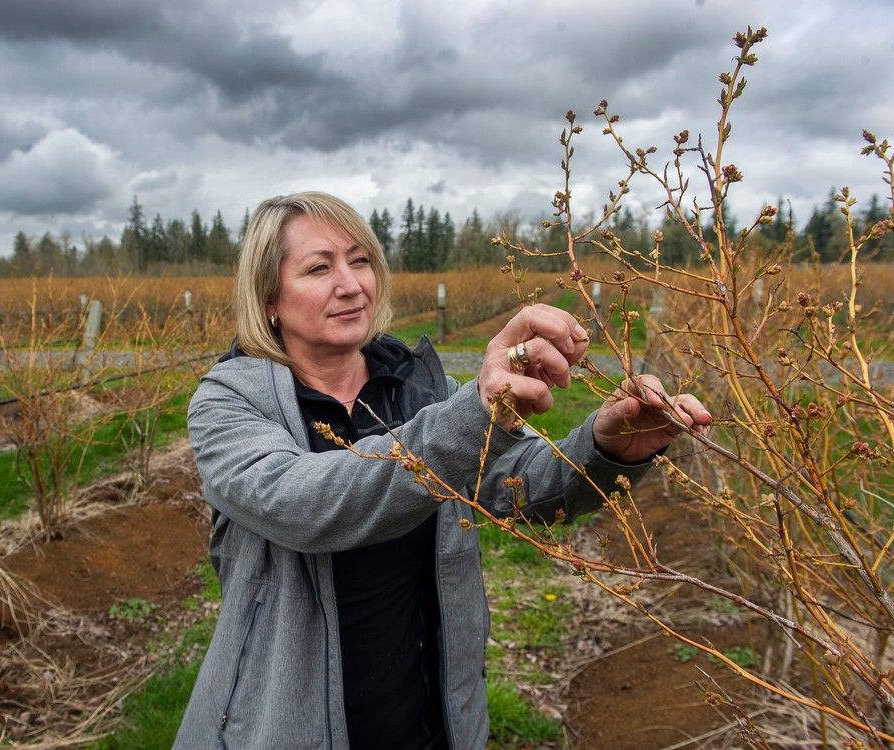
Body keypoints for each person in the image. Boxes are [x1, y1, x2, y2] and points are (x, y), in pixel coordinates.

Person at [174, 192, 710, 749]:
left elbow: (521, 486)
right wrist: (472, 416)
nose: (351, 284)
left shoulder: (420, 390)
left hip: (428, 724)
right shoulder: (229, 404)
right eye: (318, 267)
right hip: (282, 727)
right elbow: (307, 507)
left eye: (360, 261)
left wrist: (611, 443)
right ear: (269, 300)